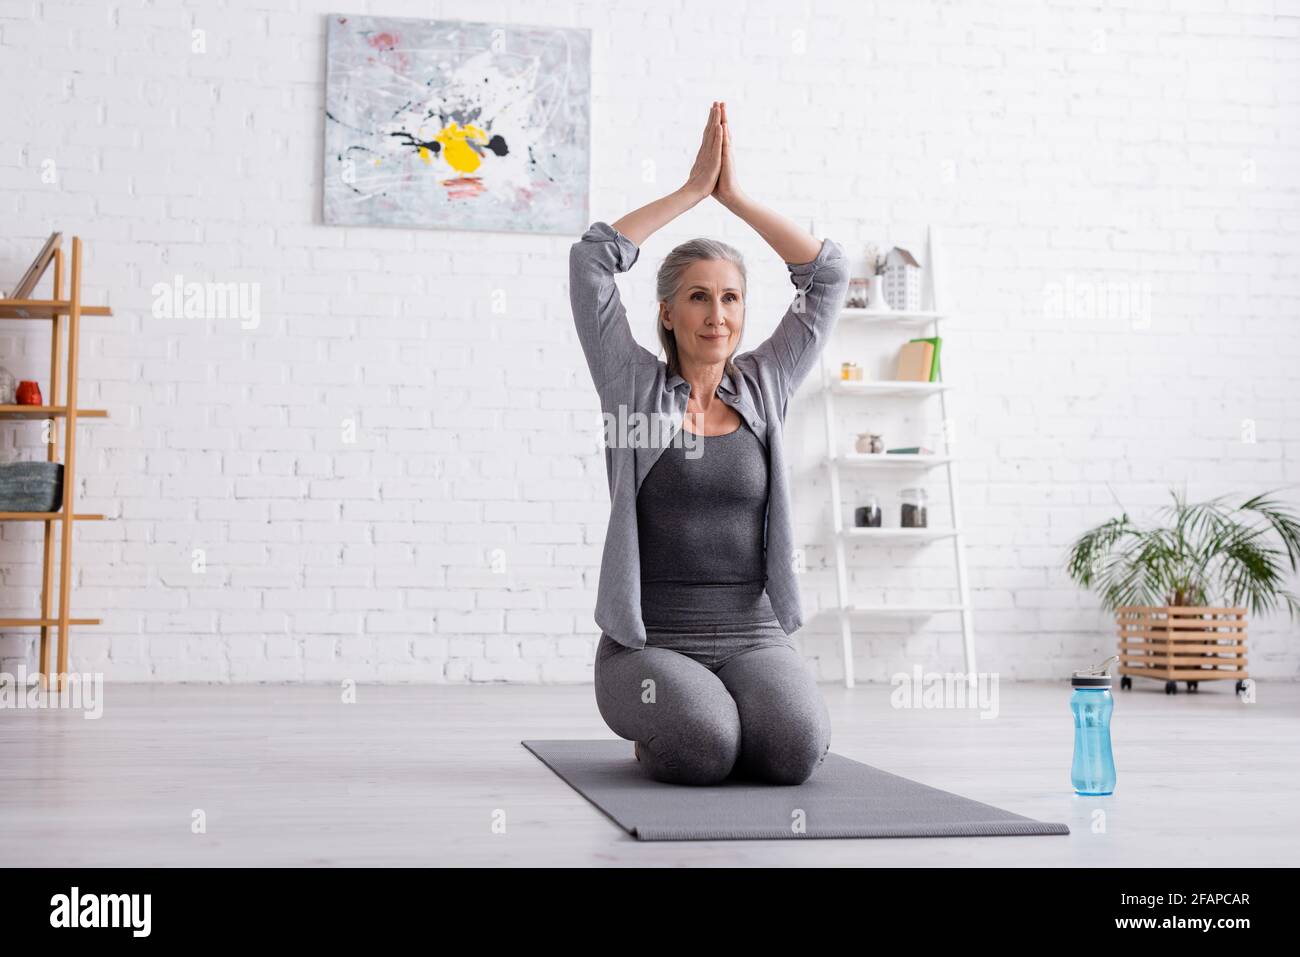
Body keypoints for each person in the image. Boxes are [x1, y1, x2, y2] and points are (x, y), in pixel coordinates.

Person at [569, 101, 850, 785]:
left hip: (754, 634)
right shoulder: (632, 386)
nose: (717, 315)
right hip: (652, 641)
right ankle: (689, 716)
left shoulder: (765, 385)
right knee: (705, 748)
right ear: (668, 311)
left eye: (730, 298)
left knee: (792, 752)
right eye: (698, 297)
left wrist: (737, 199)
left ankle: (737, 707)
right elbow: (590, 263)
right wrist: (693, 191)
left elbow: (829, 275)